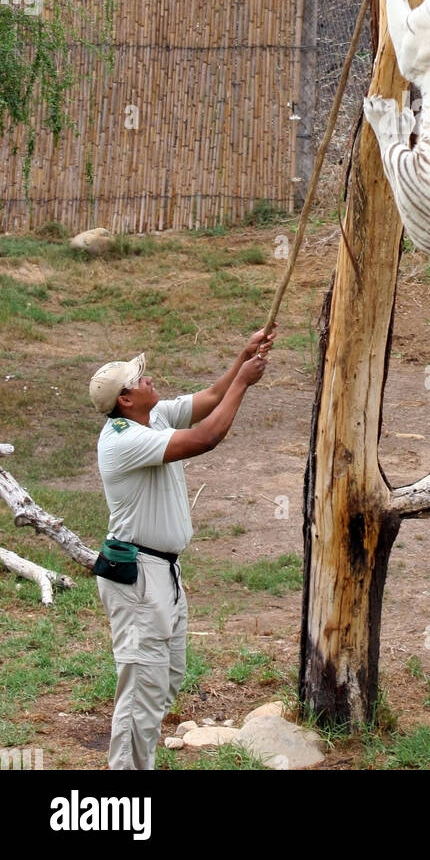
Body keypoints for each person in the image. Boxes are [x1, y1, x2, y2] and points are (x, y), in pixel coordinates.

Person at [89, 327, 275, 771]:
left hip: (163, 575)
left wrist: (241, 358)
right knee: (142, 691)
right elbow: (207, 437)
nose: (149, 379)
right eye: (140, 379)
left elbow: (211, 397)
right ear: (124, 400)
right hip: (139, 578)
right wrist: (245, 382)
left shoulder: (152, 418)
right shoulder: (122, 441)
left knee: (164, 679)